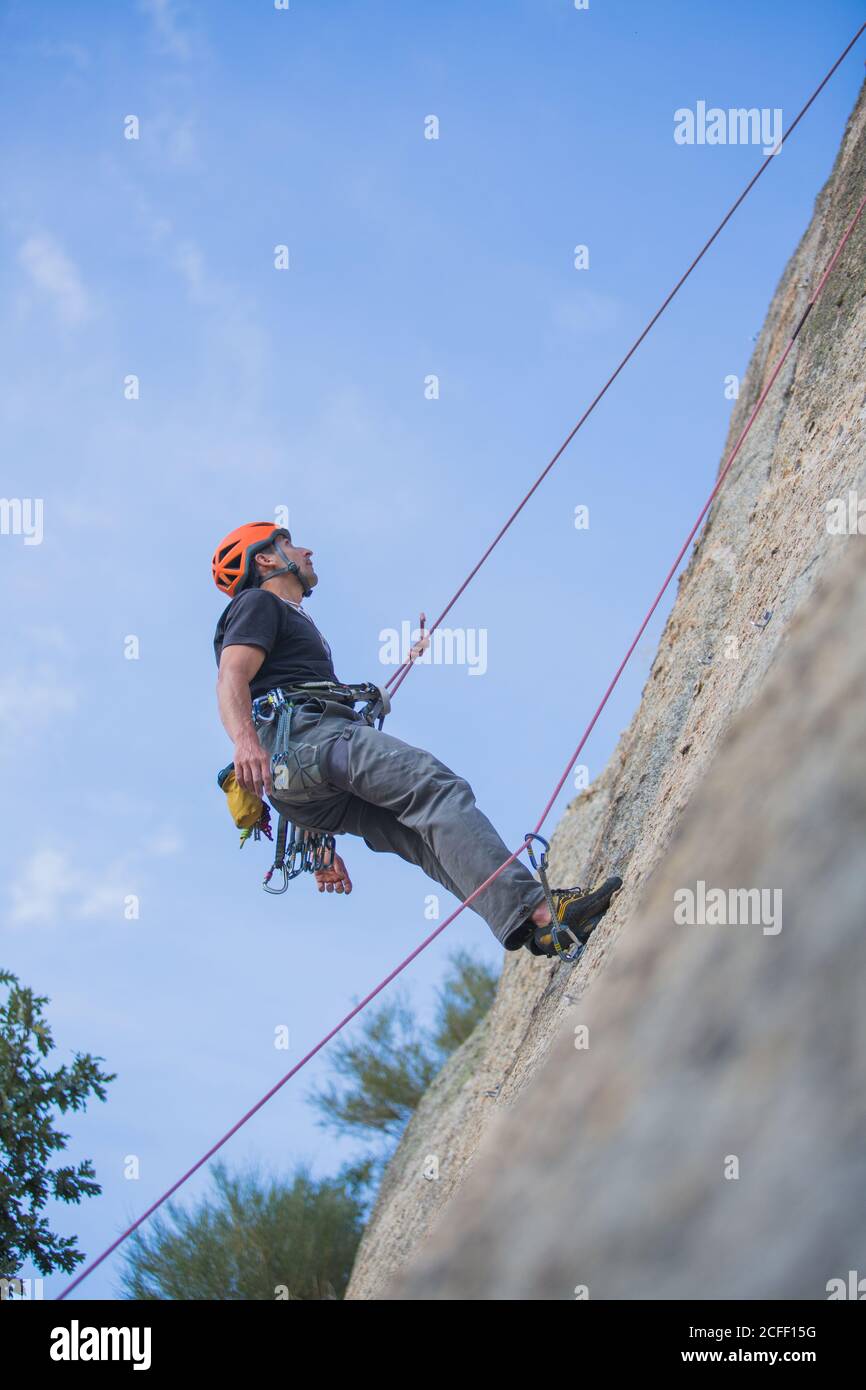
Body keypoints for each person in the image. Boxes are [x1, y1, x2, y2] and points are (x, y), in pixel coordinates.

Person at [212, 522, 621, 957]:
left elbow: (282, 728)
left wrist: (318, 844)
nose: (307, 550)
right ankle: (544, 913)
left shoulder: (292, 622)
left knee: (422, 838)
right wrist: (244, 742)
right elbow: (232, 677)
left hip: (303, 778)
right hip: (315, 743)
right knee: (432, 788)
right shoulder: (257, 603)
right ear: (266, 558)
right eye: (290, 544)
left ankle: (538, 924)